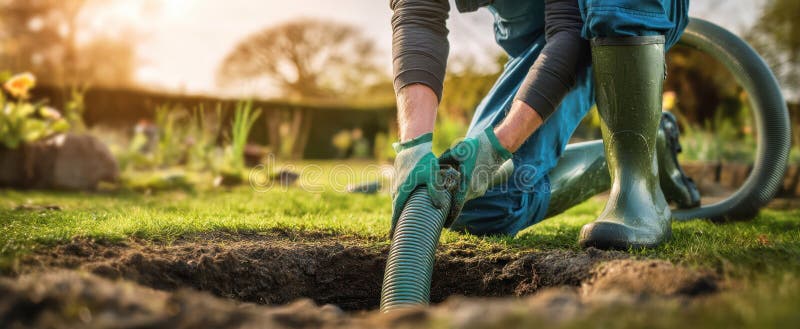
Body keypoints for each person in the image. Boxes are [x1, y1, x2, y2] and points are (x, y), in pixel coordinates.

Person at [389, 0, 698, 249]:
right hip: (546, 46)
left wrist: (499, 146)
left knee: (609, 5)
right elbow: (418, 15)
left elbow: (568, 29)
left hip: (616, 20)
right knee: (478, 204)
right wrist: (413, 148)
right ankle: (648, 146)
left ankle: (637, 185)